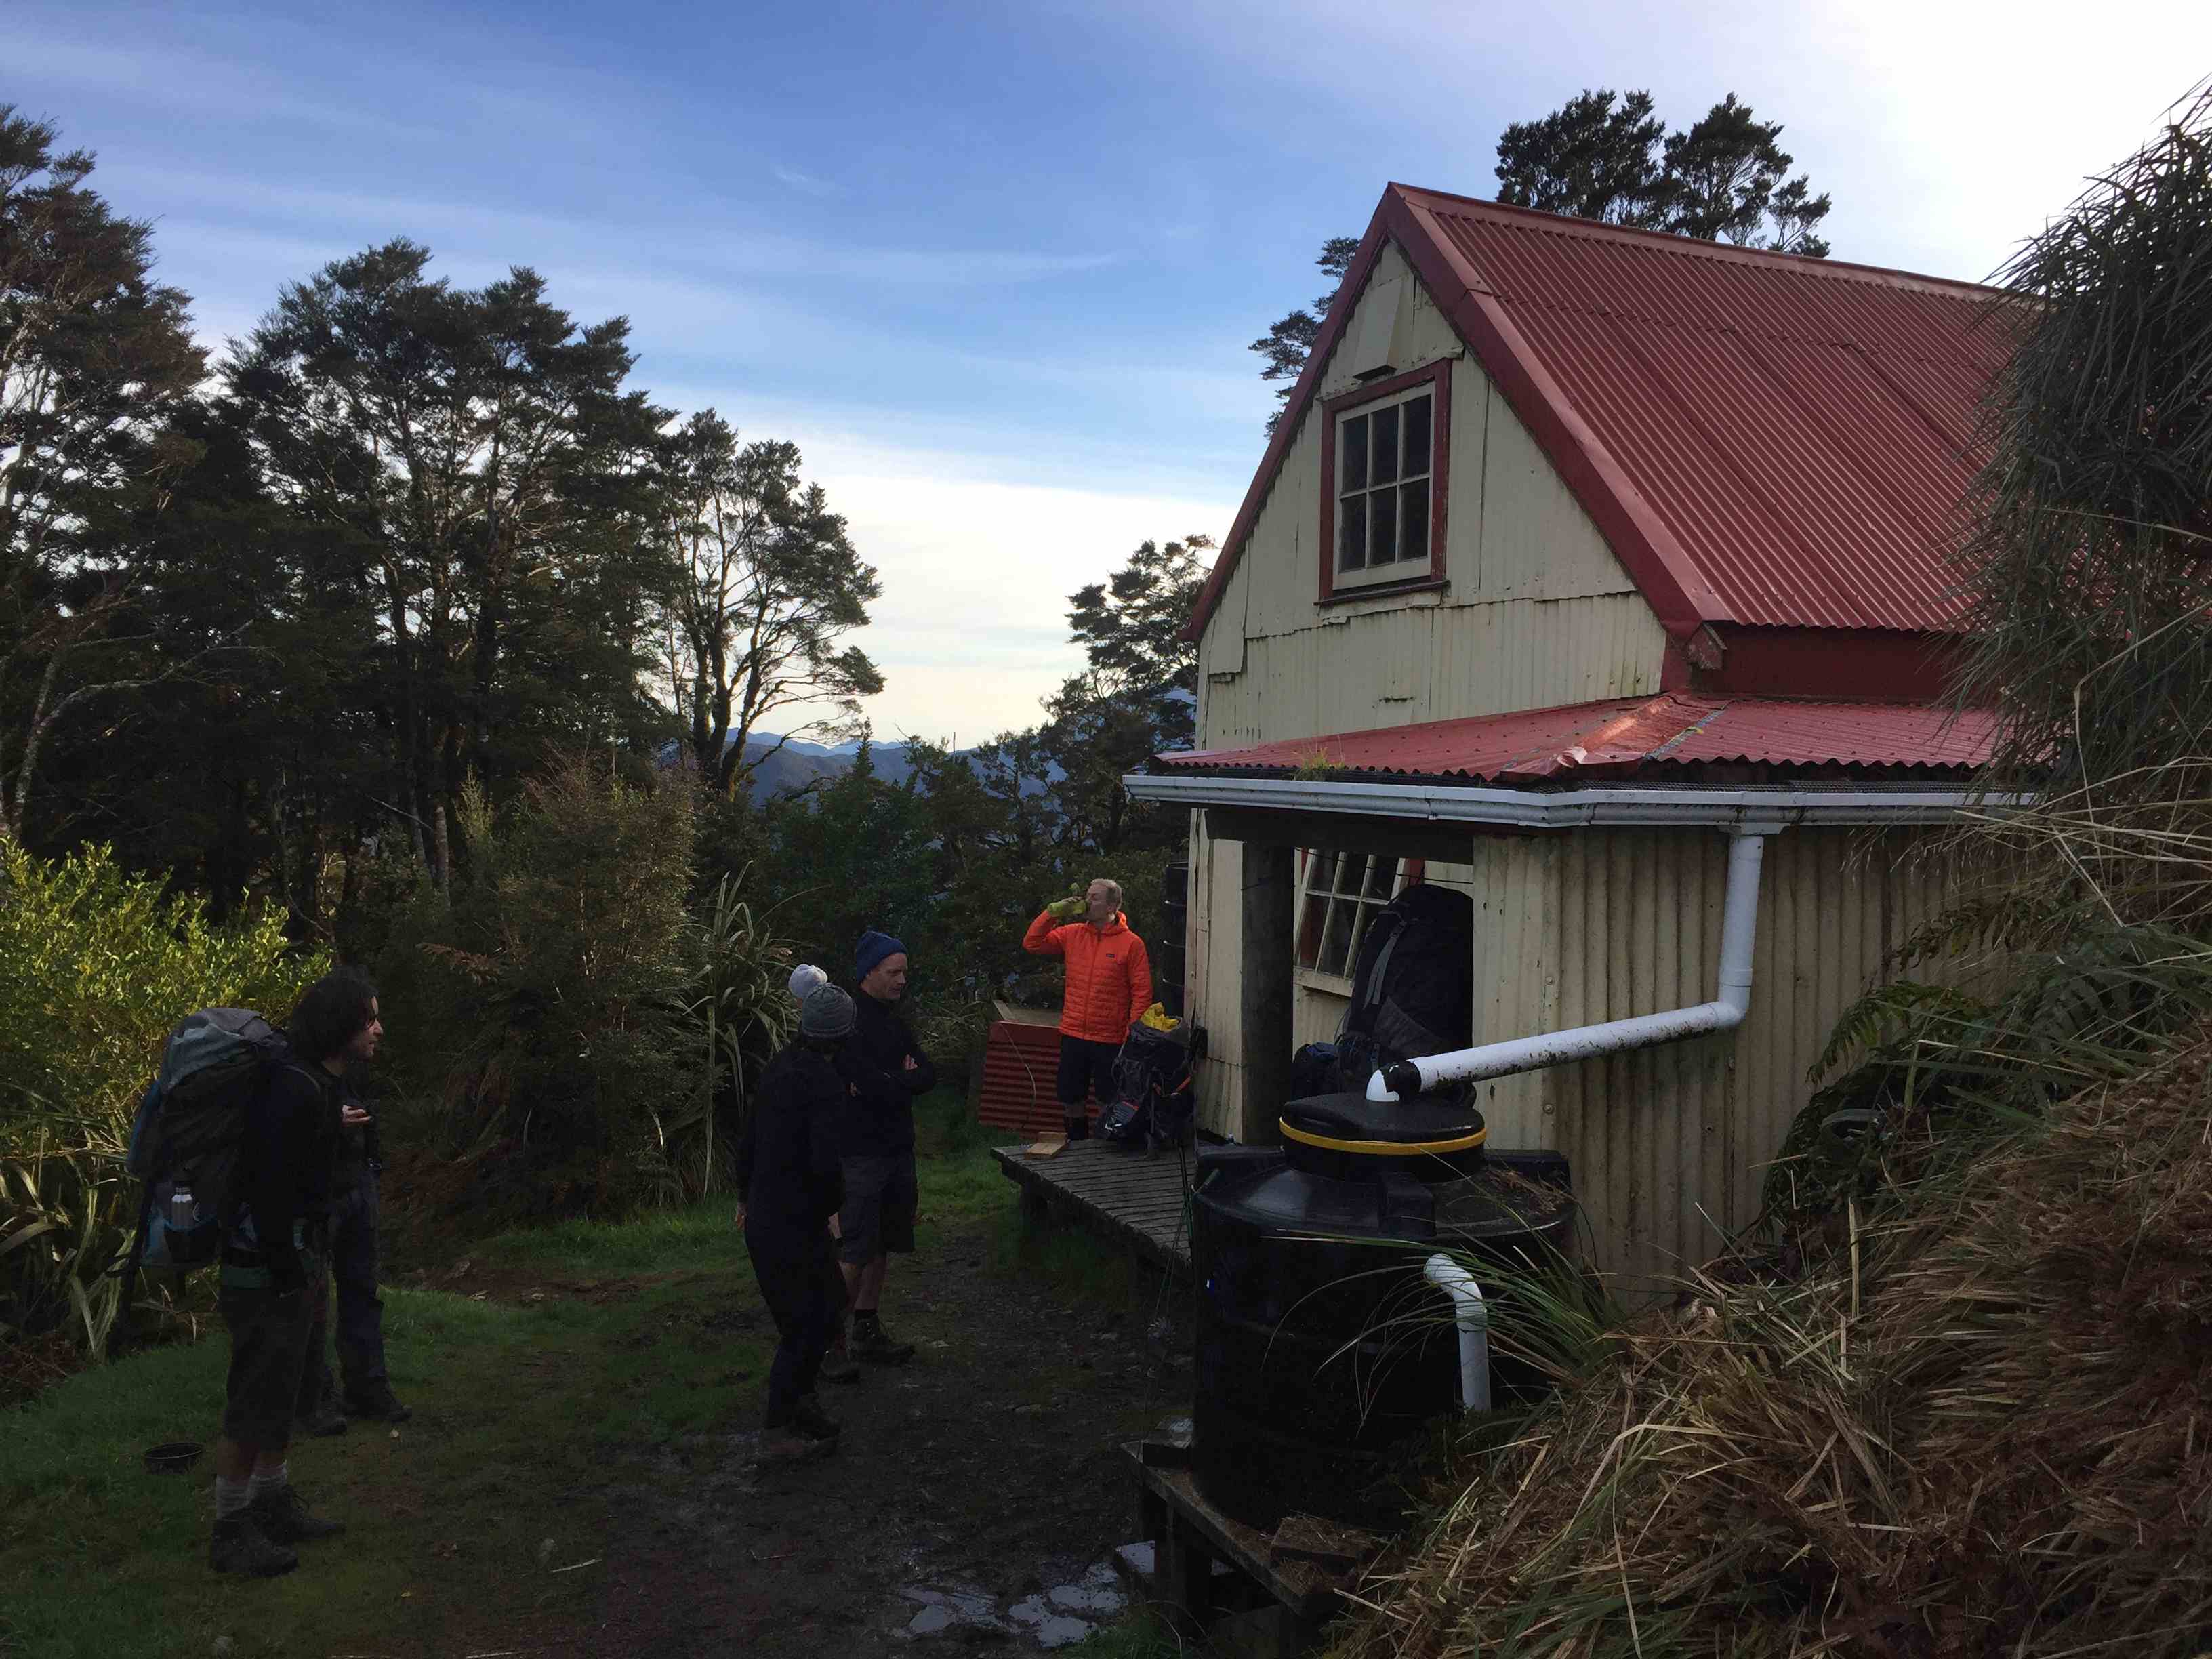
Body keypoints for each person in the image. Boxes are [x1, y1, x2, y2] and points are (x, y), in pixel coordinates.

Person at [209, 970, 379, 1576]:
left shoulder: (321, 1084)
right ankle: (230, 1530)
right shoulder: (294, 1086)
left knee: (285, 1388)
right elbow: (269, 1188)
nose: (378, 1030)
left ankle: (273, 1503)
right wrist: (285, 1268)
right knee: (255, 1395)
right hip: (265, 1267)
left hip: (298, 1259)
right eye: (369, 1019)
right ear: (340, 1025)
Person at [735, 984, 853, 1461]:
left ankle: (801, 1402)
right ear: (842, 1036)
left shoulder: (780, 1066)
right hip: (792, 1220)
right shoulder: (823, 1084)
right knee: (805, 1324)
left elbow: (749, 1136)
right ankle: (778, 1430)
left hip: (770, 1215)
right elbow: (825, 1161)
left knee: (828, 1307)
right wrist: (831, 1204)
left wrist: (743, 1193)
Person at [837, 930, 935, 1365]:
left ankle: (866, 1327)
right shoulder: (850, 1024)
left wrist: (890, 1081)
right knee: (855, 1247)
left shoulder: (895, 1021)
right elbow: (865, 1082)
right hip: (861, 1153)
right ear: (869, 972)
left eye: (904, 973)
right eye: (894, 973)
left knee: (883, 1243)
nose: (902, 981)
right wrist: (901, 1079)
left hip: (897, 1149)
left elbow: (928, 1074)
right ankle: (827, 1342)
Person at [295, 1066, 410, 1436]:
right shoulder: (295, 1066)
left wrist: (371, 1166)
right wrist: (330, 1123)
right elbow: (278, 1132)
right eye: (369, 1031)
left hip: (358, 1184)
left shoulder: (351, 1068)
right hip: (316, 1194)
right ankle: (314, 1399)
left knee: (362, 1289)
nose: (377, 1036)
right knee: (309, 1298)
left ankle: (366, 1390)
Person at [1024, 878, 1153, 1141]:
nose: (1087, 901)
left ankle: (1105, 1148)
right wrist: (1052, 912)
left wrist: (1132, 1033)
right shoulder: (1073, 934)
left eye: (1095, 897)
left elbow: (1142, 992)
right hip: (1073, 1033)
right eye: (1088, 895)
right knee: (1071, 1098)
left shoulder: (1132, 943)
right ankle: (1077, 1144)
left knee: (1108, 1099)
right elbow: (1032, 943)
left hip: (1110, 1038)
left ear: (1111, 906)